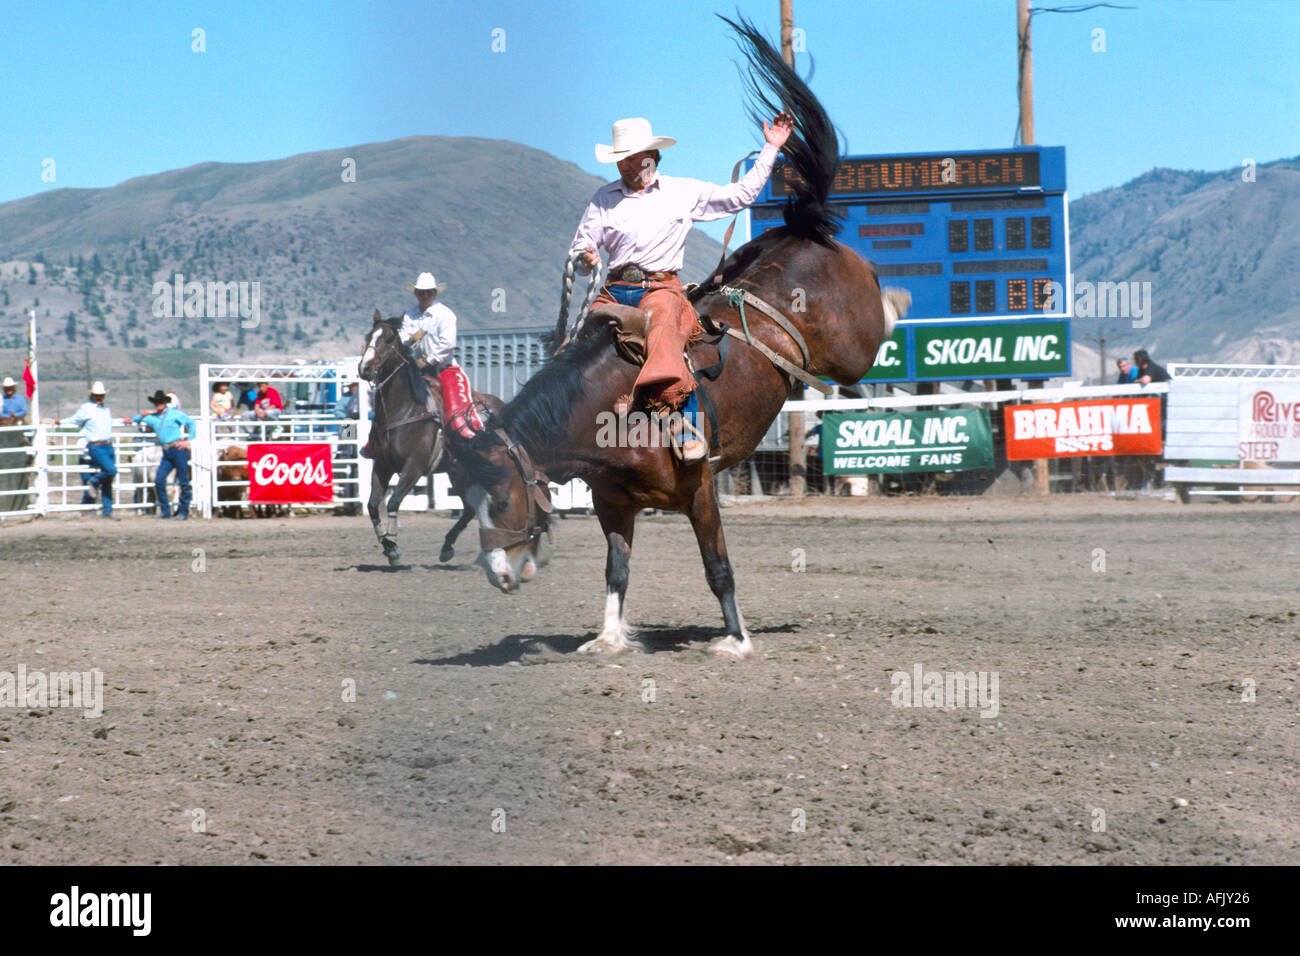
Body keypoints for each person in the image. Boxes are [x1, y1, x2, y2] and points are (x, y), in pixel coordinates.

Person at [568, 112, 794, 461]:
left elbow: (740, 196)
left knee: (664, 328)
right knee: (573, 348)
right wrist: (585, 258)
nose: (626, 166)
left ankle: (682, 424)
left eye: (632, 158)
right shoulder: (603, 199)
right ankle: (563, 429)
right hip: (614, 291)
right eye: (621, 160)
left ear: (652, 156)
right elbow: (583, 247)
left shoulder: (682, 192)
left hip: (661, 290)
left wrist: (771, 147)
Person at [398, 271, 483, 438]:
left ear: (434, 293)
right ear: (416, 293)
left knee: (454, 404)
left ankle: (468, 429)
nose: (425, 295)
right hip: (415, 369)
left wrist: (428, 361)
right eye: (421, 292)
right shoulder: (409, 315)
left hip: (444, 367)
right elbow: (401, 337)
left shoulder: (445, 314)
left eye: (429, 292)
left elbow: (447, 344)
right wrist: (410, 339)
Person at [130, 389, 198, 519]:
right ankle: (166, 511)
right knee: (159, 480)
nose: (159, 404)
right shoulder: (153, 417)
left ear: (165, 403)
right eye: (157, 402)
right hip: (166, 451)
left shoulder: (174, 414)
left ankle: (184, 511)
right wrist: (146, 414)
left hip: (178, 449)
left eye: (160, 402)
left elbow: (191, 423)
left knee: (183, 481)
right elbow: (138, 419)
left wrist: (188, 440)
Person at [53, 381, 116, 517]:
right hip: (96, 445)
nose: (99, 397)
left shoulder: (106, 410)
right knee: (111, 470)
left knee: (108, 478)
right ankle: (93, 482)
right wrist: (61, 422)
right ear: (92, 396)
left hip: (108, 444)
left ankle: (107, 510)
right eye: (96, 395)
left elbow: (109, 423)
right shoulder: (86, 408)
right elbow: (74, 420)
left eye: (101, 395)